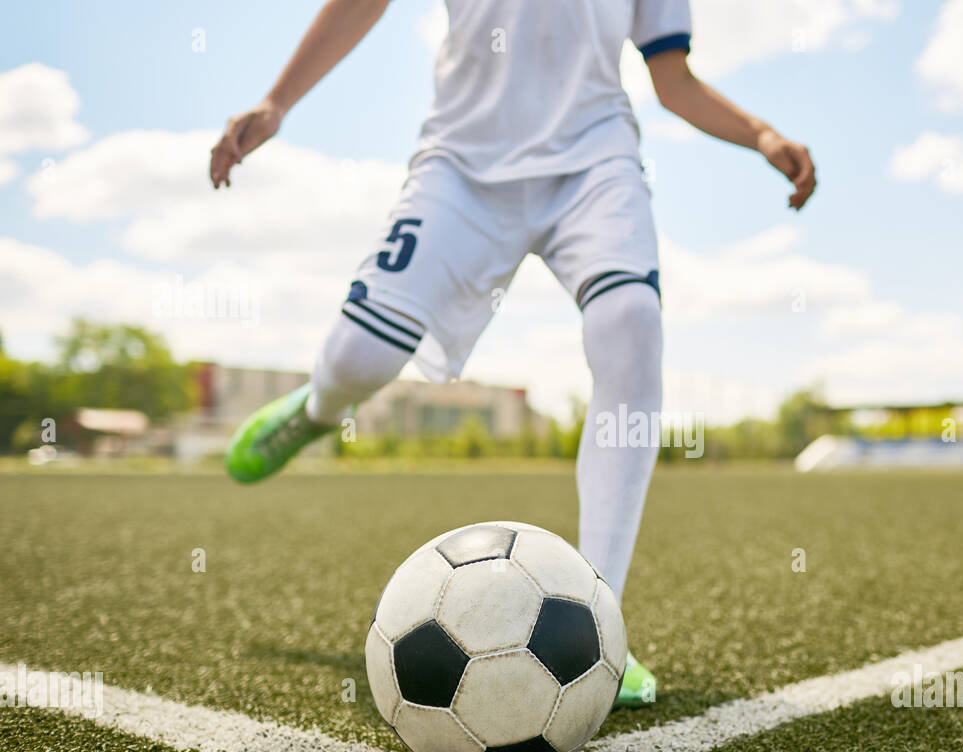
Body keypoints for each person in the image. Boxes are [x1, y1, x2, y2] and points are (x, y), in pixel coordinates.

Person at [210, 0, 816, 708]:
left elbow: (673, 80)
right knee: (360, 359)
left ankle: (599, 622)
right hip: (463, 167)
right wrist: (277, 101)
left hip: (595, 165)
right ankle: (317, 409)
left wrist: (763, 134)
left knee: (631, 323)